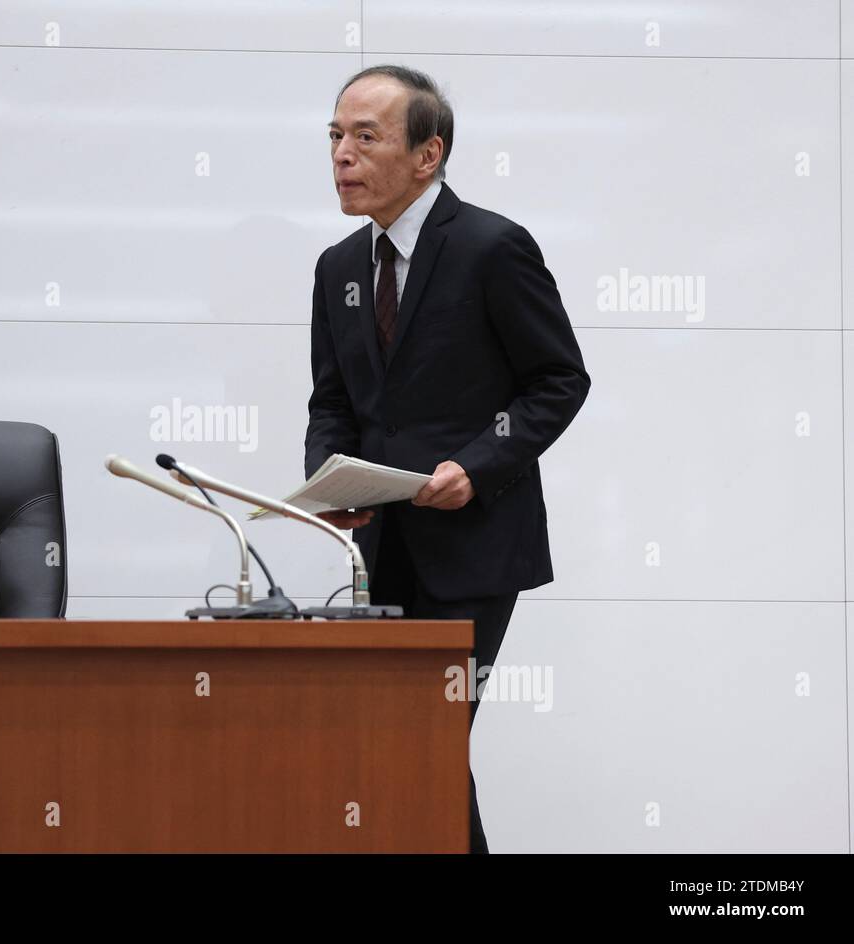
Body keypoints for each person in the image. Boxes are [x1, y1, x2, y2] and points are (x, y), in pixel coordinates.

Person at [305, 65, 590, 853]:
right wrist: (328, 476)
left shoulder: (492, 247)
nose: (342, 155)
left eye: (366, 137)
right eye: (335, 136)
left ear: (428, 154)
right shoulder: (337, 266)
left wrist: (477, 465)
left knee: (422, 737)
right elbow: (333, 403)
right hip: (380, 549)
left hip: (474, 550)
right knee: (396, 746)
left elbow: (559, 380)